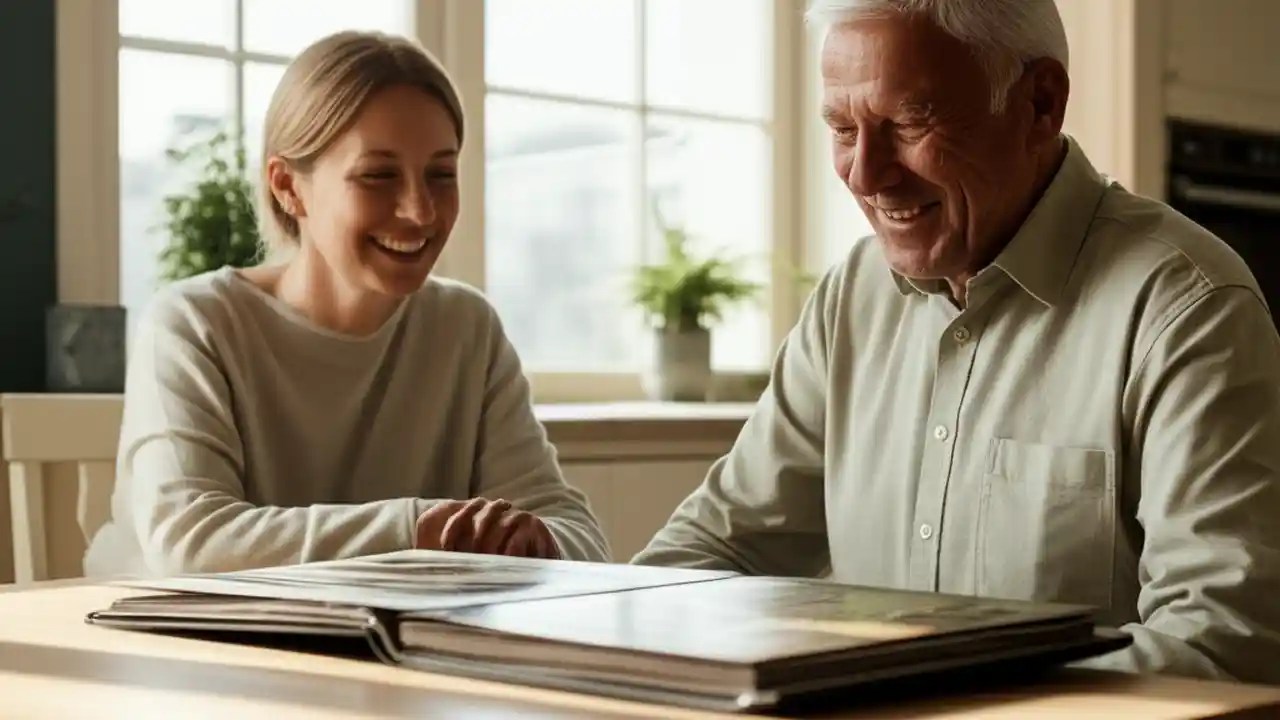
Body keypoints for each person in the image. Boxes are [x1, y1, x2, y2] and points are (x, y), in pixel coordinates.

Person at [634, 0, 1280, 684]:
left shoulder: (1187, 308)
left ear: (1041, 103)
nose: (864, 173)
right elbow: (716, 550)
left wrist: (927, 690)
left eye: (910, 123)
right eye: (843, 128)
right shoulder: (851, 296)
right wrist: (607, 630)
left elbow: (1223, 644)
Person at [85, 31, 610, 577]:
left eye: (441, 174)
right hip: (171, 650)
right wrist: (419, 530)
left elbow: (577, 535)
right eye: (378, 175)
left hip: (382, 652)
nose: (420, 211)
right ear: (288, 186)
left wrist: (530, 539)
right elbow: (192, 543)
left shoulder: (465, 328)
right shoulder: (195, 323)